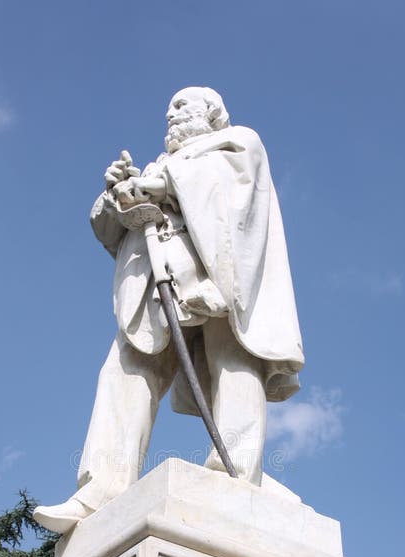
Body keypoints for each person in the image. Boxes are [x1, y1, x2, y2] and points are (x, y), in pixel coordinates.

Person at [34, 87, 304, 533]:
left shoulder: (236, 143)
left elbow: (235, 191)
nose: (170, 114)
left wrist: (166, 184)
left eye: (181, 106)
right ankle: (102, 487)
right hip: (155, 279)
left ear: (211, 112)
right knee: (127, 367)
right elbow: (112, 232)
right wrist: (116, 194)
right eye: (169, 108)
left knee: (233, 362)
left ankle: (237, 471)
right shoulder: (160, 165)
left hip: (218, 276)